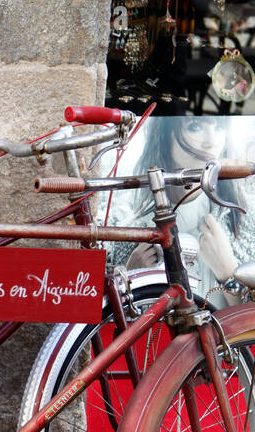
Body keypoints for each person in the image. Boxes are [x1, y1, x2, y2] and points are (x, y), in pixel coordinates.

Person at [100, 115, 255, 298]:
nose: (212, 142)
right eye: (195, 127)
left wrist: (229, 272)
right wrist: (130, 277)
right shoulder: (132, 226)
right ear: (165, 135)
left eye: (219, 128)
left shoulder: (243, 216)